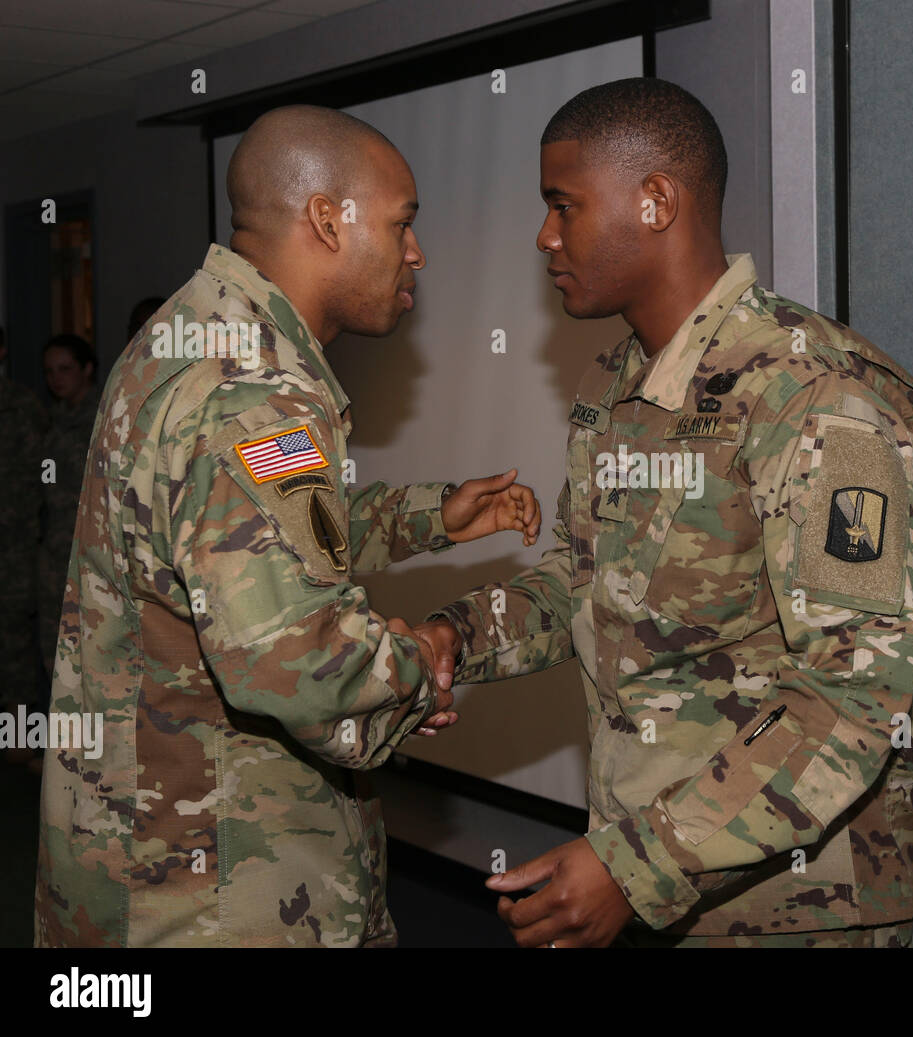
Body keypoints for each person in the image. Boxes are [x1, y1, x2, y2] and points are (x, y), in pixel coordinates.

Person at [416, 78, 913, 947]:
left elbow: (859, 689)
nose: (544, 236)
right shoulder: (616, 384)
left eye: (564, 205)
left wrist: (641, 865)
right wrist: (460, 635)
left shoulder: (814, 398)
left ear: (656, 200)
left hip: (792, 905)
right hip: (659, 872)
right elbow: (586, 580)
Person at [35, 104, 540, 947]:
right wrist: (421, 663)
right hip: (215, 890)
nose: (415, 251)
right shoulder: (256, 392)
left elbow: (243, 542)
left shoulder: (186, 336)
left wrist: (430, 518)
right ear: (326, 220)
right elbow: (297, 664)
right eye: (402, 223)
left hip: (134, 858)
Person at [0, 325, 49, 768]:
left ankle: (15, 741)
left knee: (15, 649)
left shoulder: (22, 407)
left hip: (14, 549)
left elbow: (45, 476)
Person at [38, 333, 99, 681]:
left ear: (87, 369)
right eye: (49, 371)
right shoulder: (50, 420)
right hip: (54, 548)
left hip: (89, 552)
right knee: (54, 654)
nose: (56, 378)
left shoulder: (104, 417)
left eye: (65, 369)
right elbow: (44, 481)